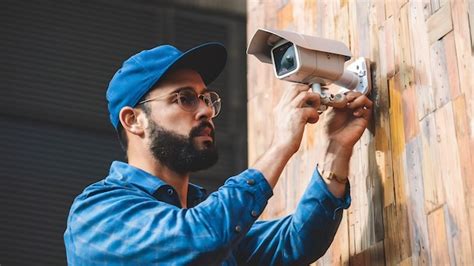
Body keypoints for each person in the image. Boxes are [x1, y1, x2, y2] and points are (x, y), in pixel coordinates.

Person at [64, 42, 373, 265]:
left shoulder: (207, 219)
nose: (206, 111)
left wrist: (336, 149)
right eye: (184, 98)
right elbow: (196, 238)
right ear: (134, 120)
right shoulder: (96, 216)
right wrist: (281, 145)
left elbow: (295, 241)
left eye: (205, 97)